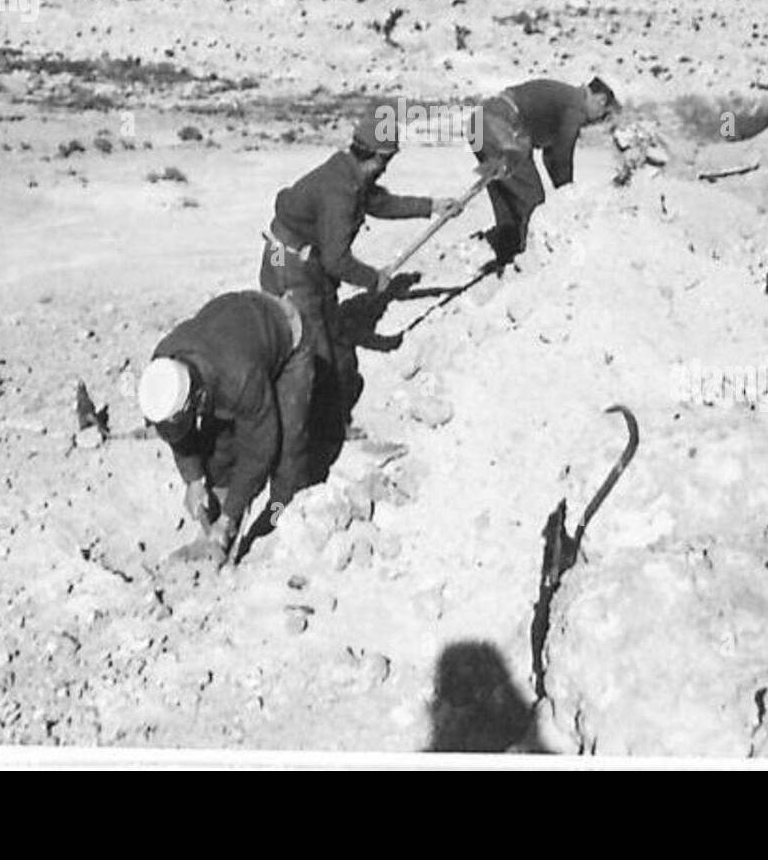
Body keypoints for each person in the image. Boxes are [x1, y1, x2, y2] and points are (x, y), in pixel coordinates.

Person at [259, 103, 458, 441]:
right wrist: (373, 279)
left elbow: (381, 204)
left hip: (283, 253)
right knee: (313, 350)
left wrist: (431, 206)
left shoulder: (348, 172)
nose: (385, 168)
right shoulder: (341, 191)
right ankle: (323, 432)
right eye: (387, 161)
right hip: (288, 263)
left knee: (310, 333)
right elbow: (337, 260)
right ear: (377, 158)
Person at [138, 289, 312, 569]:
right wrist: (194, 479)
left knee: (287, 452)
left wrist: (230, 516)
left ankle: (275, 519)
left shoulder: (240, 379)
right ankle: (213, 532)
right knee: (217, 446)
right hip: (233, 329)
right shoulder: (165, 366)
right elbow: (178, 433)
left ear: (196, 397)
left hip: (287, 333)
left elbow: (259, 451)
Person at [470, 77, 619, 264]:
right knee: (532, 198)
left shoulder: (566, 97)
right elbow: (561, 155)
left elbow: (550, 156)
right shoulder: (576, 105)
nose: (596, 119)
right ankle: (529, 261)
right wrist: (567, 193)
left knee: (505, 190)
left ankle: (508, 249)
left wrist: (562, 187)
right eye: (602, 114)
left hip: (479, 122)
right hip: (498, 124)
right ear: (600, 100)